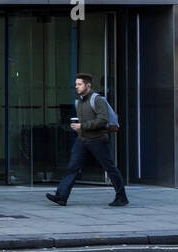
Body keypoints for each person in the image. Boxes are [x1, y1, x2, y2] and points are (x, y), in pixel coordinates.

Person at [47, 73, 129, 207]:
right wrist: (78, 127)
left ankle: (122, 197)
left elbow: (103, 120)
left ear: (88, 85)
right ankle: (61, 196)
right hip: (82, 140)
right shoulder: (78, 101)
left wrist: (83, 126)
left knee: (110, 168)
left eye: (79, 84)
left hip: (98, 140)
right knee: (72, 167)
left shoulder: (97, 100)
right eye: (76, 84)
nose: (77, 87)